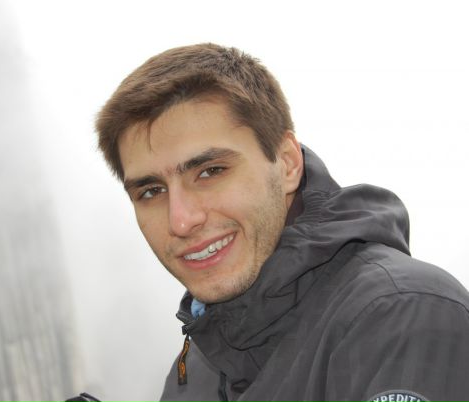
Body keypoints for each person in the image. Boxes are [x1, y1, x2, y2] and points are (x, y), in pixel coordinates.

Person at [93, 43, 469, 402]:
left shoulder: (401, 314)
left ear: (288, 163)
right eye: (151, 191)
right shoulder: (200, 363)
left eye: (210, 171)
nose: (181, 221)